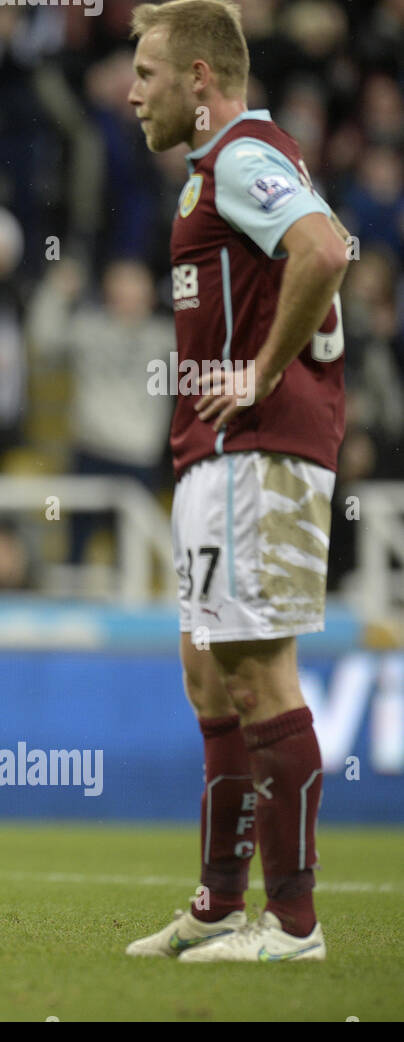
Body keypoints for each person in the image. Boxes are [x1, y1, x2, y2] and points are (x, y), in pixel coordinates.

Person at [123, 0, 348, 962]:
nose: (131, 93)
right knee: (207, 669)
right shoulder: (216, 171)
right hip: (217, 455)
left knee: (256, 671)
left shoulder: (247, 158)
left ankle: (294, 923)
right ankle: (219, 901)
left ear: (200, 80)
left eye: (145, 73)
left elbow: (328, 249)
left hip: (258, 448)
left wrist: (259, 372)